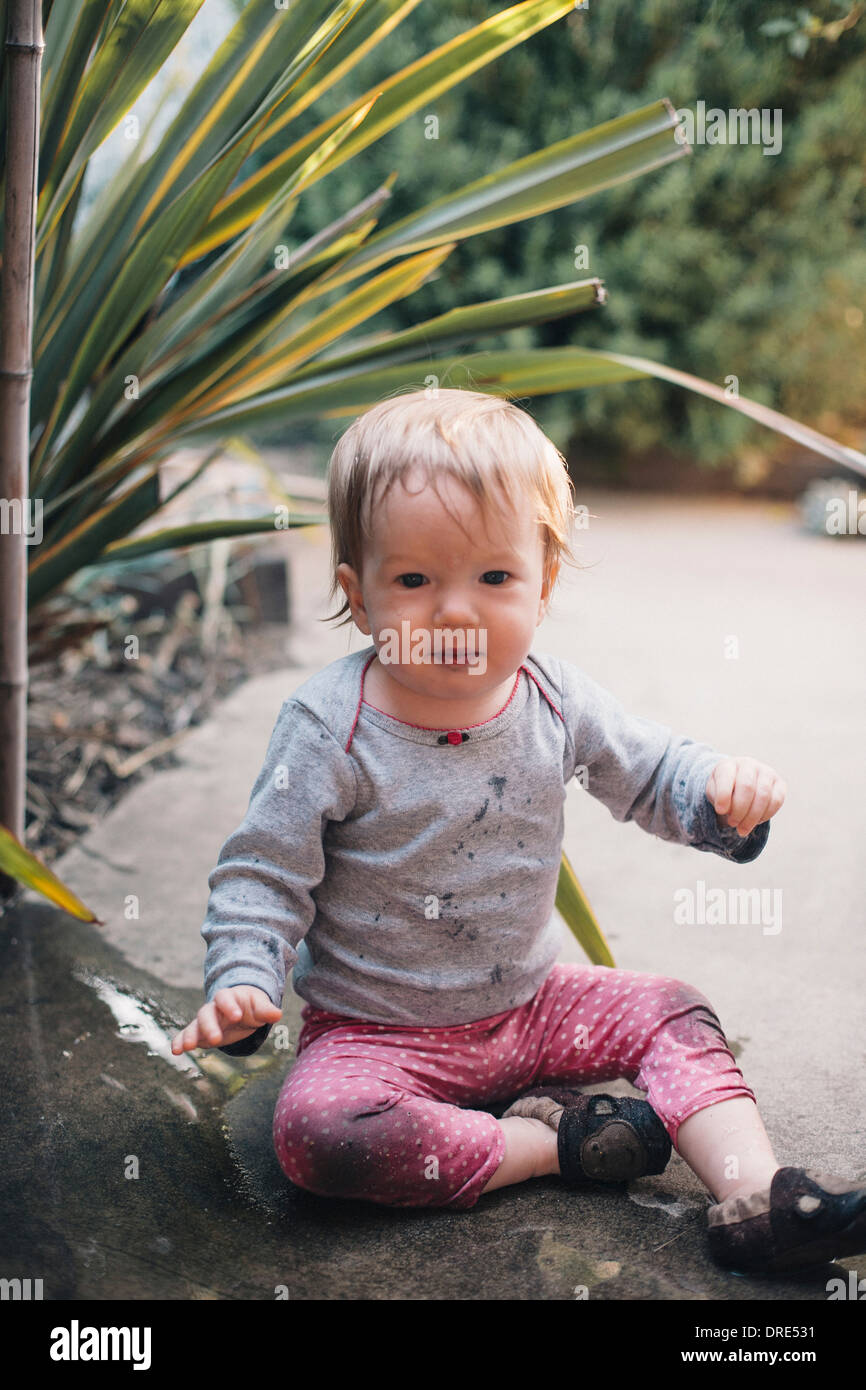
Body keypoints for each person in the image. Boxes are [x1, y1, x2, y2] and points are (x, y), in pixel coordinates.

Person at [172, 388, 866, 1275]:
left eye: (493, 579)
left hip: (535, 1009)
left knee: (671, 1009)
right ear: (357, 591)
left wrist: (721, 798)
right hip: (376, 1036)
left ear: (544, 579)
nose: (455, 613)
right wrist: (242, 982)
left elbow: (653, 773)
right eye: (415, 581)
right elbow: (262, 876)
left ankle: (758, 1199)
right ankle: (551, 1144)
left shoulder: (552, 698)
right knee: (315, 1135)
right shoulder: (326, 729)